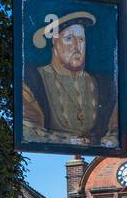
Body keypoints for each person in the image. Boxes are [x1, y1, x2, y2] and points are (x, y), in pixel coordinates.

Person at [22, 11, 118, 148]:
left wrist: (109, 141)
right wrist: (65, 140)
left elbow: (116, 130)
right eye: (69, 39)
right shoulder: (33, 80)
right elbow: (27, 129)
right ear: (55, 43)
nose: (77, 47)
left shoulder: (105, 85)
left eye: (81, 40)